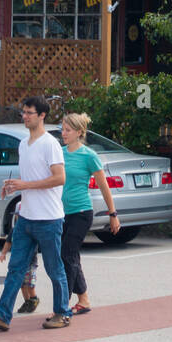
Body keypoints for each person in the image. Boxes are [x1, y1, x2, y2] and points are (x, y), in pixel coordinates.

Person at [0, 96, 71, 330]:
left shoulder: (50, 144)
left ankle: (62, 312)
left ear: (42, 116)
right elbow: (29, 178)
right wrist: (13, 185)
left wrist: (25, 185)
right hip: (26, 218)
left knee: (54, 268)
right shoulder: (23, 144)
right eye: (24, 112)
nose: (25, 116)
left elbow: (60, 178)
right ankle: (2, 315)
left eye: (29, 113)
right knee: (15, 268)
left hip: (49, 218)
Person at [59, 112, 119, 314]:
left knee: (66, 254)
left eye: (67, 130)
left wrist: (113, 214)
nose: (63, 133)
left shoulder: (89, 156)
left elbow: (104, 187)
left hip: (82, 213)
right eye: (62, 129)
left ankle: (62, 305)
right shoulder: (59, 153)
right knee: (71, 255)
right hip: (61, 214)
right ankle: (84, 300)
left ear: (79, 132)